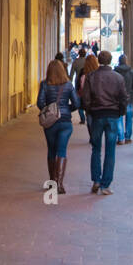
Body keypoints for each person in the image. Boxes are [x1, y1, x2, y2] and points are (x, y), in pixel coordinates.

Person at [79, 50, 128, 195]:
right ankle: (105, 184)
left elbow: (86, 98)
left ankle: (96, 180)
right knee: (110, 150)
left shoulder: (91, 76)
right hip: (112, 116)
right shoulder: (118, 78)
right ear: (110, 60)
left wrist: (91, 111)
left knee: (96, 149)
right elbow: (123, 97)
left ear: (99, 61)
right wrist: (120, 112)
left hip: (97, 116)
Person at [36, 52, 82, 195]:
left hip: (50, 123)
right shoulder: (68, 85)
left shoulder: (45, 84)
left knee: (51, 150)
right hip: (65, 123)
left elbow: (40, 102)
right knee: (62, 151)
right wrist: (66, 109)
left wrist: (49, 109)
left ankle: (52, 181)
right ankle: (60, 184)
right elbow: (77, 103)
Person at [114, 53, 133, 143]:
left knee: (119, 117)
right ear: (126, 61)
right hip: (129, 98)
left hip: (118, 98)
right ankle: (127, 137)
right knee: (129, 118)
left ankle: (120, 138)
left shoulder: (115, 72)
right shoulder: (131, 72)